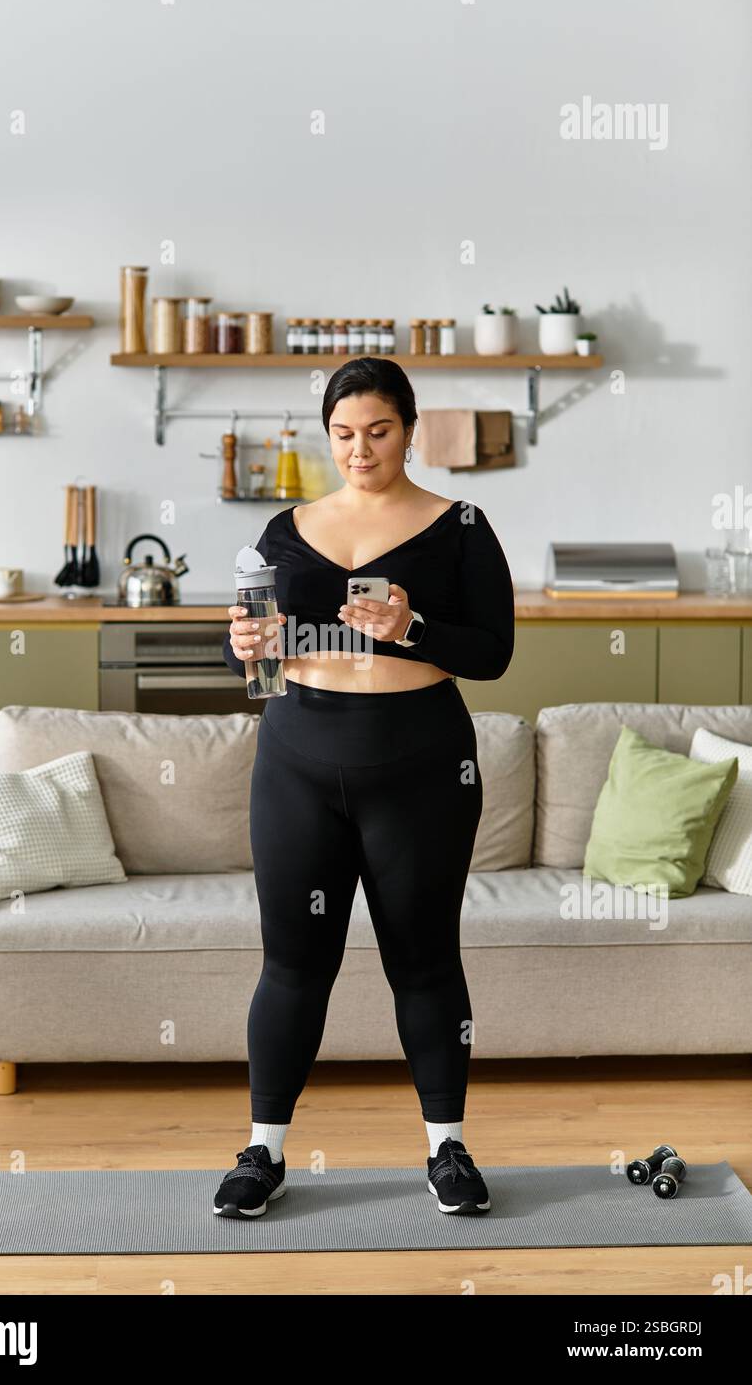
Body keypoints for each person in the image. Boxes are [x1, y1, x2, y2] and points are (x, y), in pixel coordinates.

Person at [214, 357, 514, 1217]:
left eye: (378, 431)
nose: (360, 449)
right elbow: (258, 663)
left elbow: (492, 654)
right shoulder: (283, 529)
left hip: (421, 767)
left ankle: (446, 1149)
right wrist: (244, 649)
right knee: (291, 964)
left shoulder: (458, 525)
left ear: (410, 431)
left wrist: (411, 626)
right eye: (343, 433)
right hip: (297, 765)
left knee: (423, 964)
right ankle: (263, 1154)